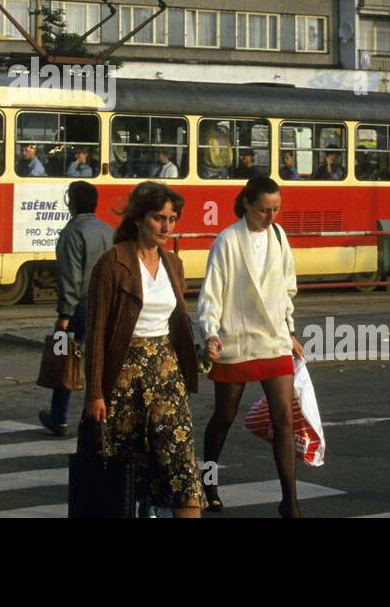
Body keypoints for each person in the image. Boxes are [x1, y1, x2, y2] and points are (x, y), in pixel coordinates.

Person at [84, 181, 203, 517]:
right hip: (123, 377)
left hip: (166, 374)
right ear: (138, 219)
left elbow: (178, 323)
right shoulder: (113, 263)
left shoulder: (174, 264)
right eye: (158, 218)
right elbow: (95, 333)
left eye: (172, 218)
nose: (166, 226)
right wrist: (94, 393)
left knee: (180, 468)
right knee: (128, 473)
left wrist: (203, 349)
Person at [198, 176, 305, 517]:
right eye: (264, 210)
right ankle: (208, 481)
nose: (271, 217)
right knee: (224, 417)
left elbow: (287, 287)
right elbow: (211, 294)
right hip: (236, 340)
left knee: (284, 417)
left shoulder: (278, 235)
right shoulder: (227, 241)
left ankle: (289, 500)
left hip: (273, 340)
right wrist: (210, 333)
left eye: (276, 210)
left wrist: (289, 331)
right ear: (246, 203)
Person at [39, 180, 113, 437]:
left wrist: (64, 315)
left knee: (65, 361)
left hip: (78, 309)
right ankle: (101, 417)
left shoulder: (72, 232)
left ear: (71, 203)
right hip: (107, 304)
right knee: (101, 362)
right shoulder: (108, 230)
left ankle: (59, 417)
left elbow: (69, 276)